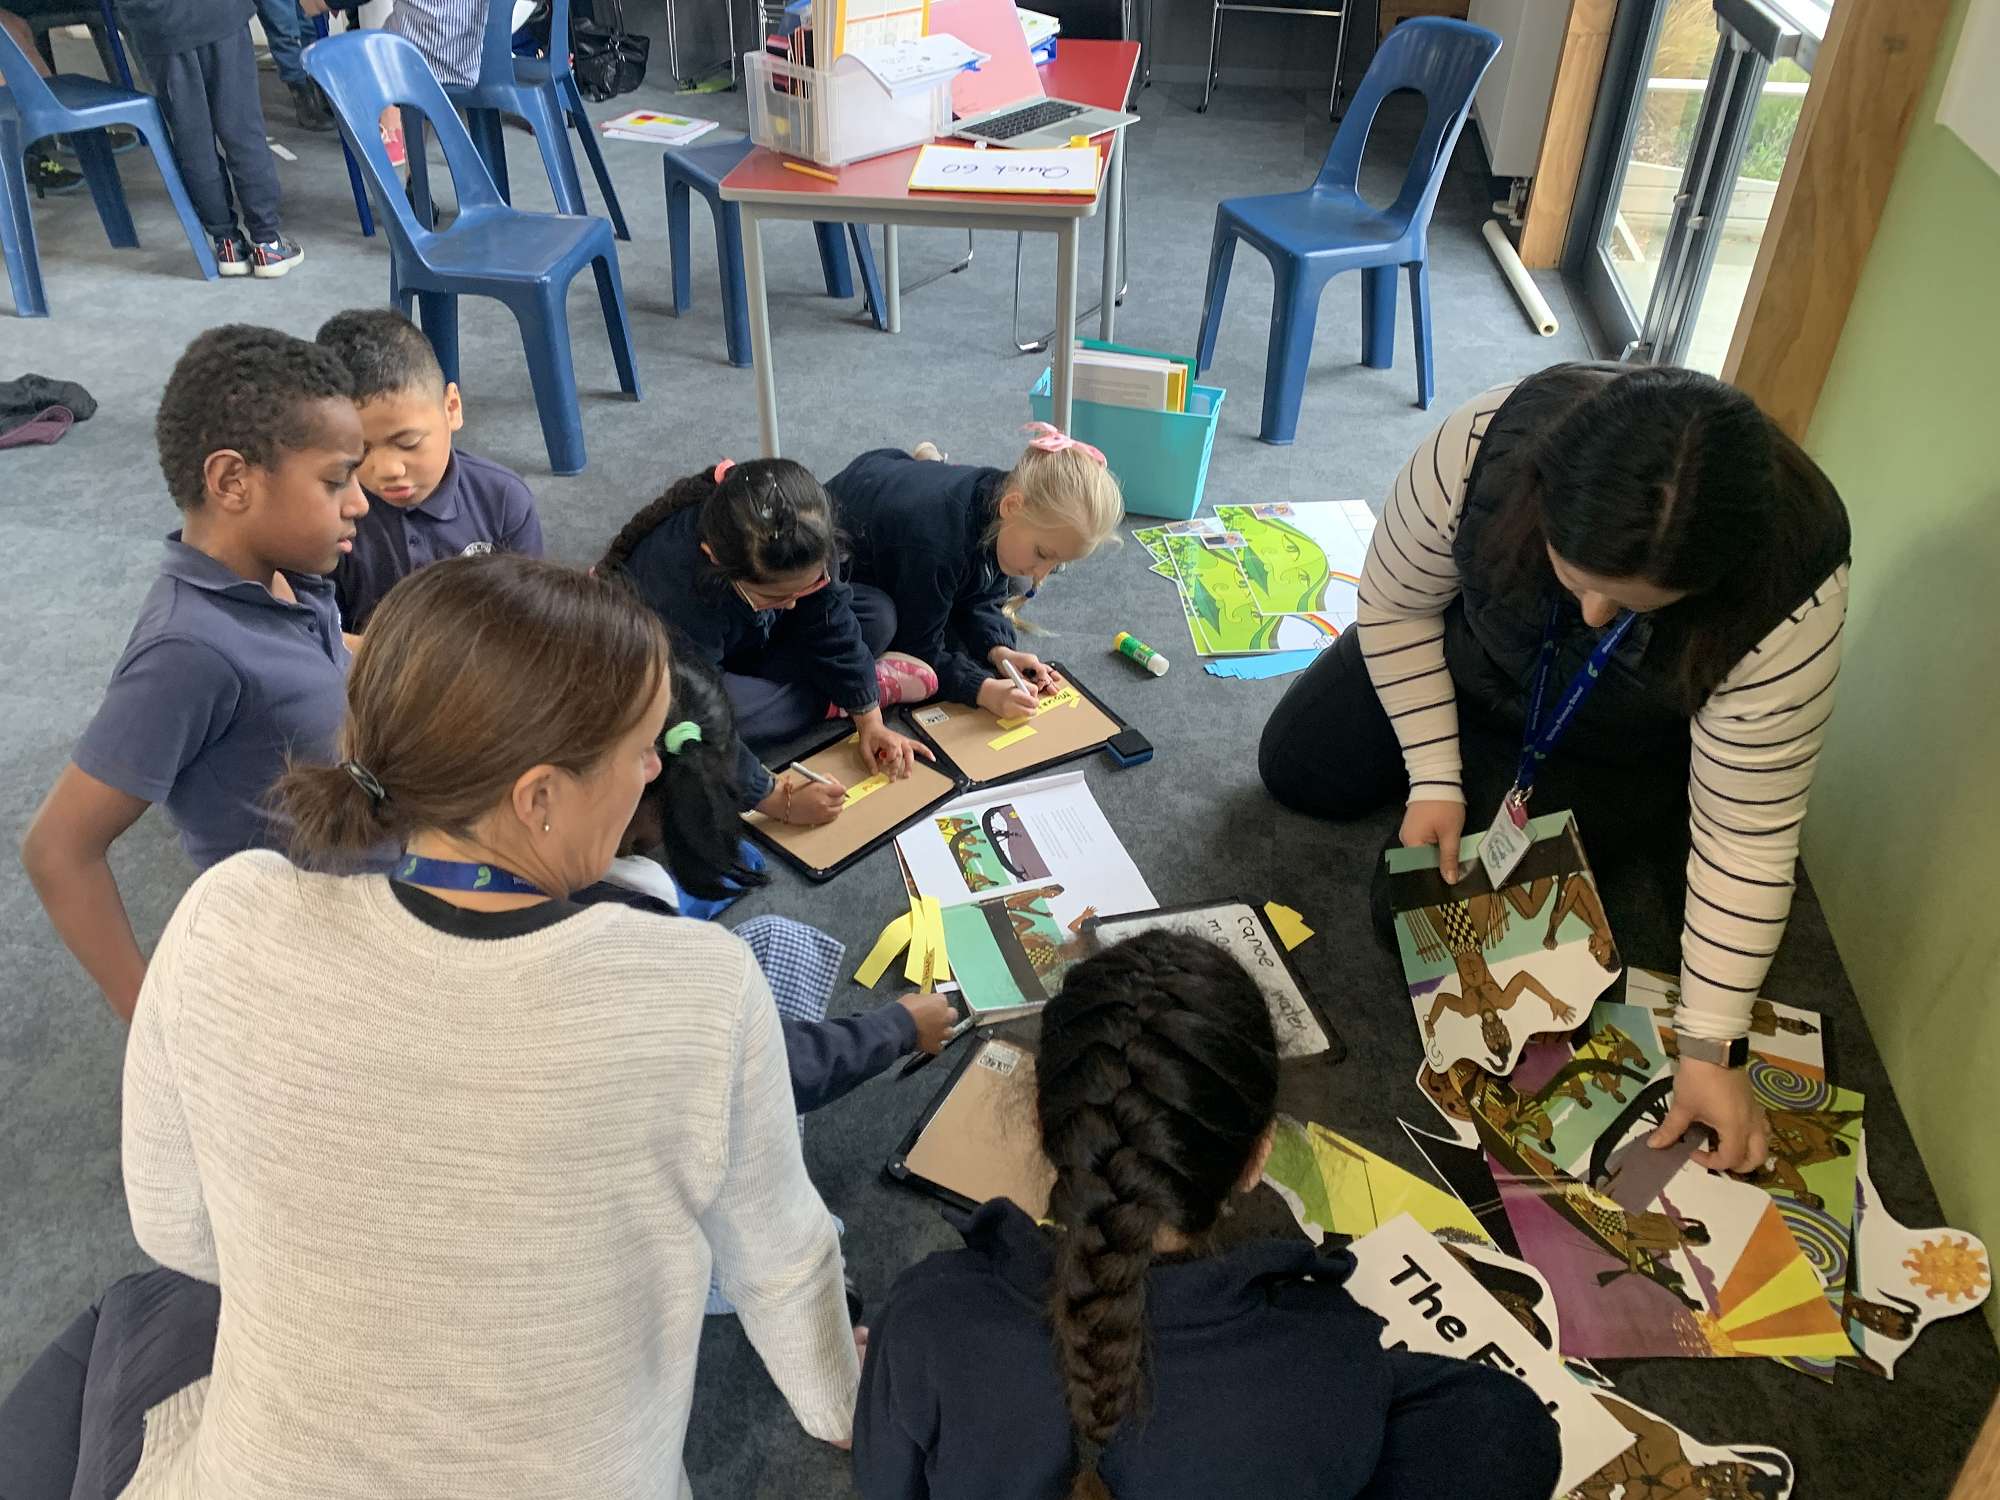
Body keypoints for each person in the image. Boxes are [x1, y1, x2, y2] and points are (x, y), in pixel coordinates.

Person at [110, 553, 859, 1496]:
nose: (650, 772)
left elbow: (174, 1230)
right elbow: (784, 1265)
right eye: (640, 751)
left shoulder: (224, 911)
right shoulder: (698, 986)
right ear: (539, 797)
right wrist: (844, 1407)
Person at [1257, 363, 1851, 1176]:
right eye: (1579, 579)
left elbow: (1748, 837)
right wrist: (1434, 773)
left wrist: (1713, 1048)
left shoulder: (1791, 591)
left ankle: (1612, 807)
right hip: (1466, 647)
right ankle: (1491, 766)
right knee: (1297, 768)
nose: (1596, 614)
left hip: (1617, 731)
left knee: (1421, 926)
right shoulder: (1482, 447)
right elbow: (1396, 607)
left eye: (1634, 604)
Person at [852, 929, 1562, 1499]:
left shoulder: (928, 1314)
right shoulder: (1325, 1362)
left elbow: (887, 1484)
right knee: (1507, 1425)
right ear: (1258, 1157)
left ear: (1044, 1125)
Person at [18, 325, 363, 1021]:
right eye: (336, 480)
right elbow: (58, 848)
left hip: (365, 892)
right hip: (302, 965)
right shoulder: (188, 650)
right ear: (233, 481)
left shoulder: (284, 577)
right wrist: (149, 1015)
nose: (358, 502)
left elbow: (318, 661)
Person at [576, 645, 959, 1113]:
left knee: (773, 932)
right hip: (651, 1117)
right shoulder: (625, 948)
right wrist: (898, 1028)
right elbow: (763, 1066)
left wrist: (773, 796)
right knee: (776, 949)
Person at [597, 458, 934, 827]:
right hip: (684, 672)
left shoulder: (806, 536)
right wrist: (775, 799)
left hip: (748, 640)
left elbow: (829, 617)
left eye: (805, 587)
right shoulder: (676, 592)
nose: (791, 604)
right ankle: (829, 700)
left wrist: (870, 719)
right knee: (721, 718)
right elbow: (695, 706)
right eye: (776, 595)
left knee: (877, 616)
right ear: (715, 560)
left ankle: (844, 693)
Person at [824, 424, 1125, 718]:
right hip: (838, 544)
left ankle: (929, 462)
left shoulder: (1001, 493)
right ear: (1011, 506)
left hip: (896, 481)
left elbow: (983, 588)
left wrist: (1000, 652)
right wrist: (982, 689)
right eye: (1043, 555)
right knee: (883, 622)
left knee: (1010, 580)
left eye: (1055, 565)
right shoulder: (936, 545)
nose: (1041, 576)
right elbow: (919, 647)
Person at [315, 307, 543, 631]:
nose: (388, 469)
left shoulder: (503, 500)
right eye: (359, 451)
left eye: (408, 442)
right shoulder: (326, 515)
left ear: (452, 407)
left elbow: (530, 619)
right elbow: (313, 634)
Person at [112, 0, 306, 275]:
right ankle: (267, 243)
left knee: (192, 142)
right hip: (219, 13)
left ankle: (226, 243)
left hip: (157, 25)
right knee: (243, 131)